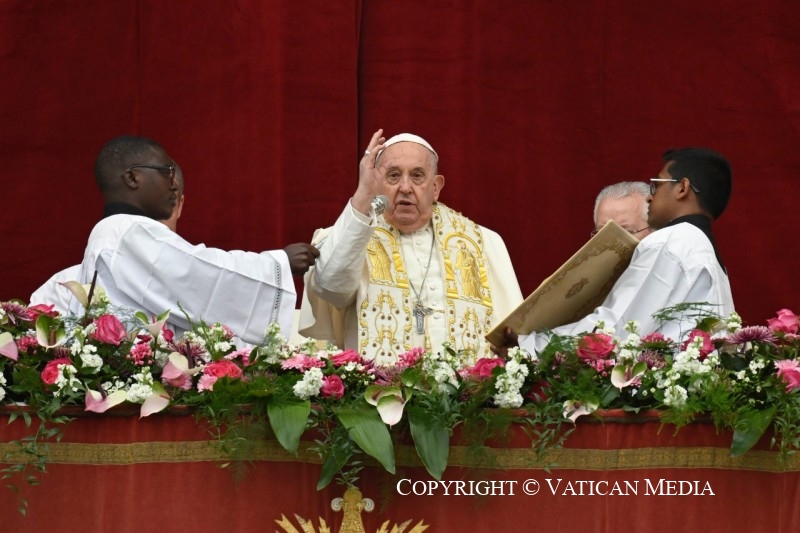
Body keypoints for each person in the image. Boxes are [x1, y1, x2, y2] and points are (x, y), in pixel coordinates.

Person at [56, 135, 318, 344]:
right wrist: (278, 263)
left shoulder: (111, 231)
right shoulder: (128, 231)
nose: (173, 184)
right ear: (133, 178)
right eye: (165, 172)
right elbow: (197, 275)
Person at [299, 129, 523, 366]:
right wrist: (363, 195)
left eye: (417, 176)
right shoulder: (350, 236)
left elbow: (514, 331)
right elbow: (331, 286)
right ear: (375, 183)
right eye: (393, 176)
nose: (405, 187)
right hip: (380, 396)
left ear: (436, 187)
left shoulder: (482, 242)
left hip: (467, 397)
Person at [511, 147, 735, 353]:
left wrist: (529, 346)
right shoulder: (706, 253)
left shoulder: (669, 242)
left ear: (682, 188)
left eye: (656, 185)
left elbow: (616, 329)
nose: (650, 196)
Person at [30, 164, 187, 313]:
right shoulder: (64, 287)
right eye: (147, 207)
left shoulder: (201, 285)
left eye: (165, 204)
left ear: (179, 206)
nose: (148, 224)